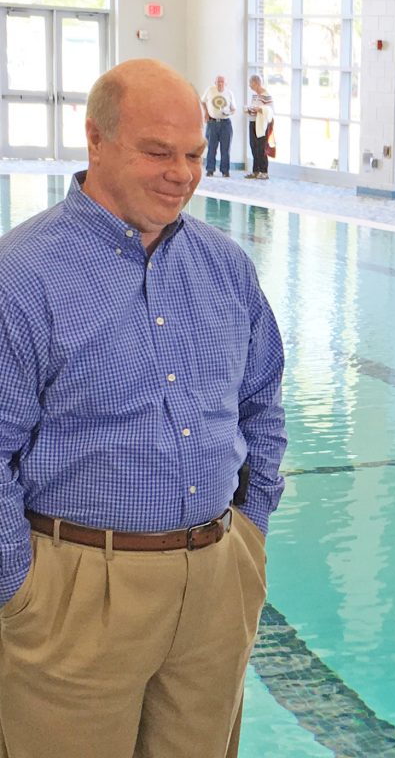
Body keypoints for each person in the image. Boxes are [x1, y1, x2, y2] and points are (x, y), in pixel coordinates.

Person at [0, 58, 287, 758]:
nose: (182, 174)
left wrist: (250, 529)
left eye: (192, 154)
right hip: (75, 590)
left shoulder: (226, 267)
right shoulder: (23, 276)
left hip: (217, 579)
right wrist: (20, 592)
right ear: (95, 141)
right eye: (158, 152)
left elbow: (263, 404)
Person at [201, 73, 237, 177]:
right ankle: (210, 169)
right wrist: (206, 113)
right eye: (218, 82)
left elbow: (234, 109)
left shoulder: (229, 93)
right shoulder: (210, 90)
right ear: (215, 83)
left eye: (222, 82)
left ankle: (225, 170)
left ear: (226, 83)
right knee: (211, 147)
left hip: (225, 123)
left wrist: (228, 113)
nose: (220, 84)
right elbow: (202, 101)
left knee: (225, 148)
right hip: (212, 122)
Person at [245, 74, 273, 180]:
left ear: (256, 83)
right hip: (252, 122)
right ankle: (255, 171)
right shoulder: (254, 95)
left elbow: (270, 111)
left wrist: (260, 110)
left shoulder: (266, 95)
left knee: (261, 148)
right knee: (253, 147)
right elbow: (253, 107)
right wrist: (249, 109)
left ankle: (264, 171)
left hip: (261, 125)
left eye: (251, 84)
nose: (250, 86)